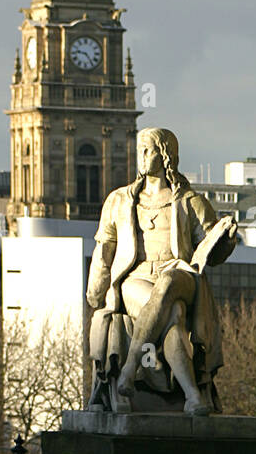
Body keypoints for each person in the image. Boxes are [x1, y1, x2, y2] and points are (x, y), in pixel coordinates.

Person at [86, 127, 236, 414]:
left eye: (148, 149)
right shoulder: (119, 200)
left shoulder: (191, 202)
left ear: (165, 154)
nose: (141, 156)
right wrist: (96, 290)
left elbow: (211, 254)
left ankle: (129, 369)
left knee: (168, 282)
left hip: (180, 273)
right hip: (136, 277)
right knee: (175, 316)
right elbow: (104, 250)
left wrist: (226, 240)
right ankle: (192, 396)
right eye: (139, 150)